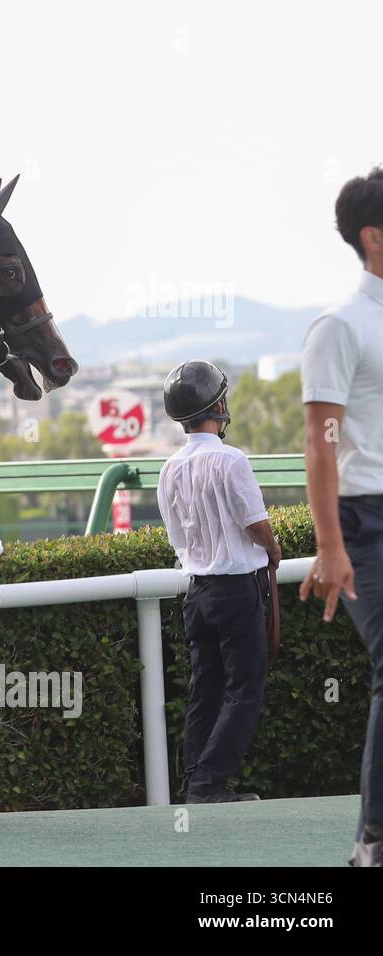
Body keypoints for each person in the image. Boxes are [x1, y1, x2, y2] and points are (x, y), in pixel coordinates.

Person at [298, 167, 383, 867]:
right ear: (373, 237)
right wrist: (329, 546)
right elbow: (320, 444)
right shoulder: (341, 326)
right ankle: (373, 843)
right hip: (365, 523)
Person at [157, 360, 281, 804]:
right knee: (245, 689)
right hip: (235, 589)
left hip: (197, 591)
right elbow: (256, 523)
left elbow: (175, 537)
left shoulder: (169, 467)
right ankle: (210, 784)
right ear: (219, 405)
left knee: (204, 688)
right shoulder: (232, 460)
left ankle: (196, 782)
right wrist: (274, 549)